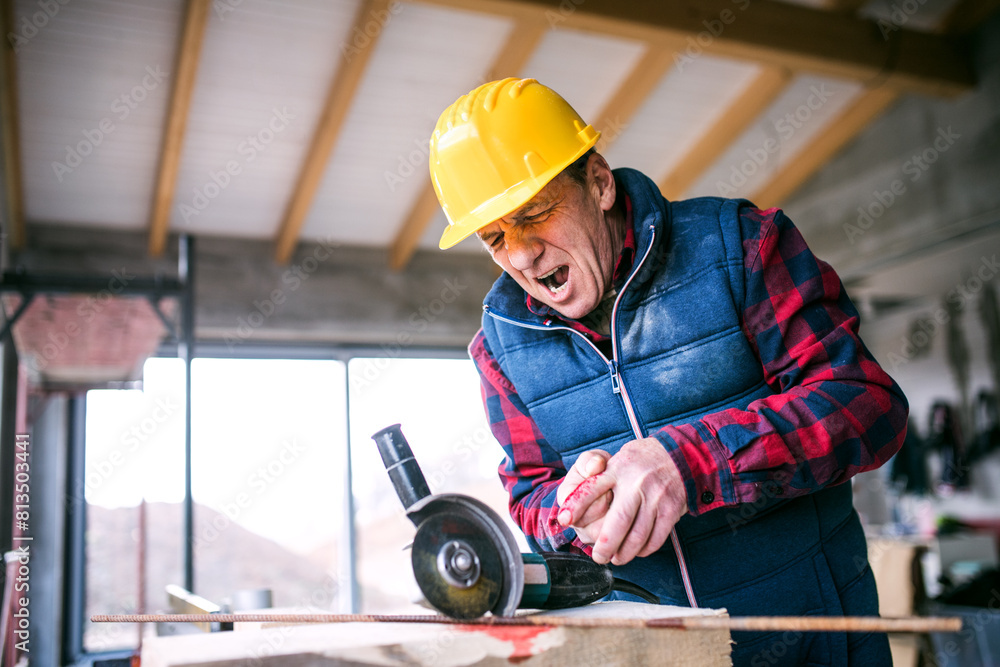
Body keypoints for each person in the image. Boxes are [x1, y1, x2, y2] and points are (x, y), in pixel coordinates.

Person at [429, 77, 907, 665]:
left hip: (817, 646)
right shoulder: (500, 348)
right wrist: (570, 513)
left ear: (598, 182)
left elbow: (865, 404)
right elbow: (531, 495)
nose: (522, 253)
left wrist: (690, 462)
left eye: (535, 214)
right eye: (495, 237)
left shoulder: (740, 247)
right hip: (651, 657)